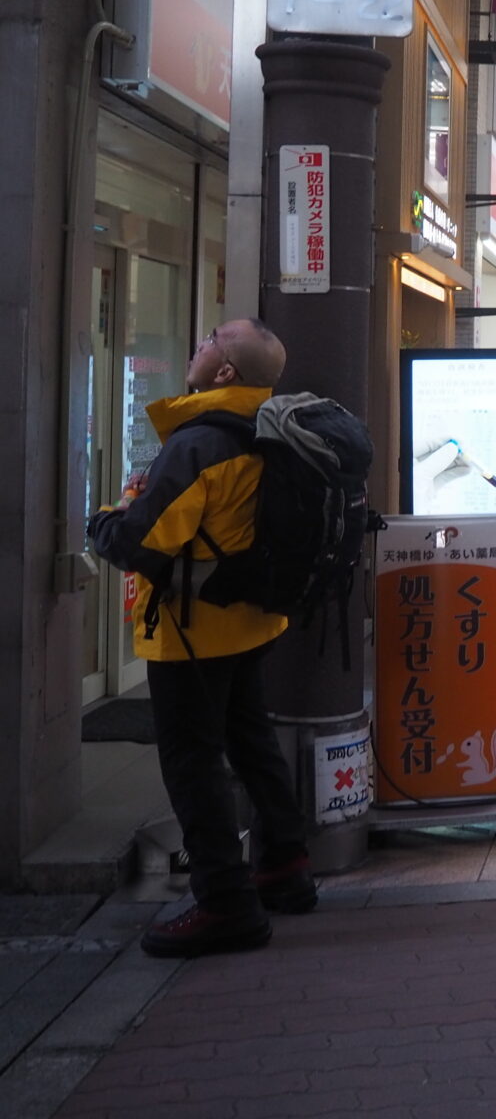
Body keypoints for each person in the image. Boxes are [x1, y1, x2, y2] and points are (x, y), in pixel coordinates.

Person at [87, 318, 315, 959]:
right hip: (250, 621)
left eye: (214, 337)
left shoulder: (199, 444)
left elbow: (139, 542)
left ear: (225, 373)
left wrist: (103, 520)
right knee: (251, 743)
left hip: (192, 632)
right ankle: (286, 867)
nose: (201, 341)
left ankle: (225, 903)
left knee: (193, 765)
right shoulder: (272, 430)